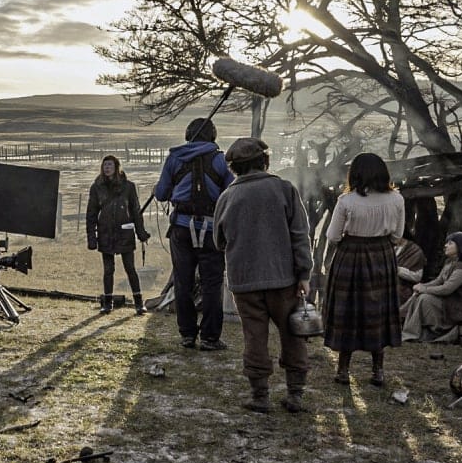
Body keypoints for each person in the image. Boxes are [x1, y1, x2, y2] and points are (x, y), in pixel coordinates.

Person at [213, 138, 313, 413]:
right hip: (284, 279)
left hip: (244, 281)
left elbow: (218, 242)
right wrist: (304, 273)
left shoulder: (226, 197)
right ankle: (295, 394)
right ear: (264, 161)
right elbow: (299, 236)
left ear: (234, 167)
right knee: (292, 336)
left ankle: (259, 396)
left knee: (254, 337)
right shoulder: (284, 189)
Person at [322, 152, 404, 387]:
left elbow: (333, 236)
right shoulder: (396, 199)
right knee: (377, 310)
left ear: (354, 173)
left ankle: (343, 370)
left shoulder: (346, 201)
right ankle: (378, 371)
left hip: (350, 255)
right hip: (382, 256)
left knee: (347, 310)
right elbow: (398, 235)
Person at [153, 117, 235, 350]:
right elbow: (231, 193)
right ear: (212, 135)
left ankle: (187, 334)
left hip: (181, 227)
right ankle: (210, 338)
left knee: (183, 281)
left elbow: (161, 194)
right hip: (211, 229)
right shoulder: (220, 160)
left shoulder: (175, 158)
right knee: (212, 283)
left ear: (189, 135)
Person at [86, 154, 150, 315]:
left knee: (130, 268)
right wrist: (91, 238)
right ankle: (107, 304)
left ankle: (138, 303)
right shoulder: (96, 187)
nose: (107, 168)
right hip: (105, 233)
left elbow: (136, 212)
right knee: (108, 270)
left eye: (110, 165)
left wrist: (141, 233)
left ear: (116, 167)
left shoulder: (128, 187)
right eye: (105, 165)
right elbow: (91, 214)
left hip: (124, 233)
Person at [401, 232, 462, 342]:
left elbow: (447, 289)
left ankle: (434, 330)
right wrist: (421, 286)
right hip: (452, 301)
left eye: (450, 243)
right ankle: (405, 326)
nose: (445, 246)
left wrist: (424, 289)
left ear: (461, 246)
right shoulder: (449, 262)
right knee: (420, 295)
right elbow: (438, 281)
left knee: (425, 298)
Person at [395, 233, 427, 307]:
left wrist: (398, 270)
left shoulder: (415, 251)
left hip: (404, 287)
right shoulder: (390, 247)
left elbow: (417, 276)